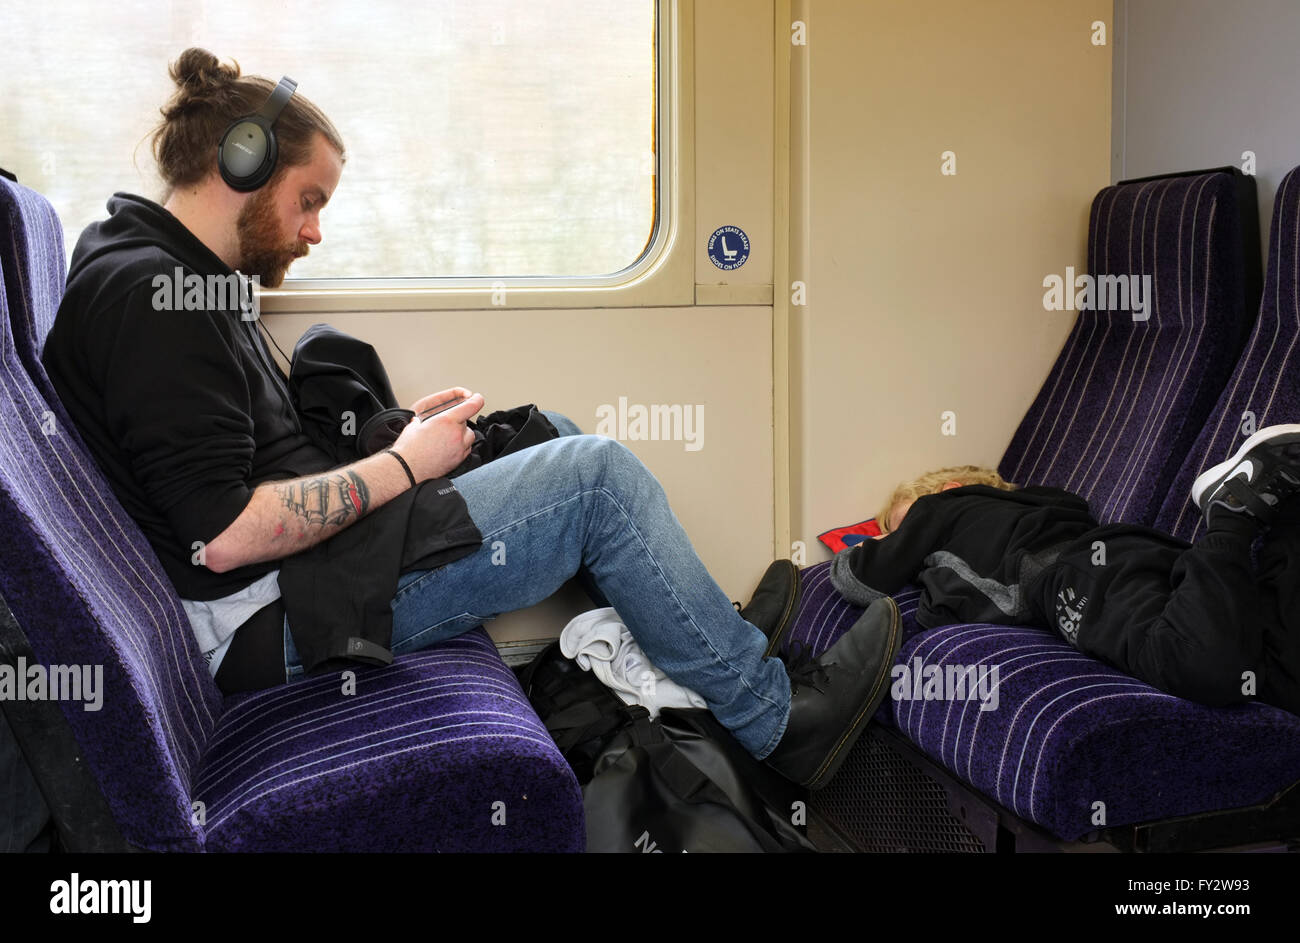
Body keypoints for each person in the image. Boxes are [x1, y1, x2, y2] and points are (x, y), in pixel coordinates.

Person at [39, 48, 899, 790]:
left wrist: (394, 435)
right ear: (244, 163)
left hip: (293, 581)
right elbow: (224, 533)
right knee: (596, 478)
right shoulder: (161, 300)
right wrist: (406, 468)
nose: (313, 233)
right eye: (310, 201)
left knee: (549, 430)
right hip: (264, 620)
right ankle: (778, 720)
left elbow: (251, 456)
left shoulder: (167, 267)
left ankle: (711, 650)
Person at [831, 427, 1300, 716]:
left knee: (1195, 666)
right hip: (1134, 556)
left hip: (1075, 581)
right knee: (1278, 675)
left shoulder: (941, 507)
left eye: (900, 527)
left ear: (948, 490)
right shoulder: (1042, 503)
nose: (903, 540)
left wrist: (874, 542)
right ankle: (1288, 513)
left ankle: (1233, 509)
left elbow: (860, 579)